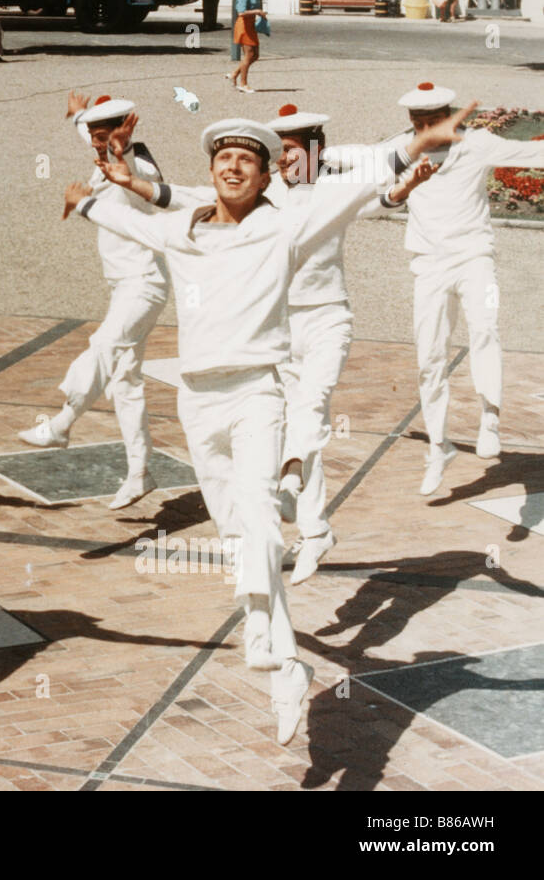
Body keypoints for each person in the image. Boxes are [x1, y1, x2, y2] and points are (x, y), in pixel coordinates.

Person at [64, 113, 455, 743]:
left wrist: (418, 144)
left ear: (267, 173)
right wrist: (85, 203)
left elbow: (360, 187)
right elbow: (124, 218)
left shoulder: (285, 223)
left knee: (258, 518)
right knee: (236, 536)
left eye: (248, 160)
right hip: (196, 403)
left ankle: (274, 635)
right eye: (224, 159)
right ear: (212, 169)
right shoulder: (181, 227)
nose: (234, 167)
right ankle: (287, 668)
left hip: (256, 394)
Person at [263, 104, 415, 583]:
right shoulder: (264, 192)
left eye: (291, 152)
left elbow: (377, 197)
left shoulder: (335, 187)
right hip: (280, 328)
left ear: (315, 150)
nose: (284, 162)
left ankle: (290, 483)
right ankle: (315, 532)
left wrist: (401, 191)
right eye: (279, 153)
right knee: (298, 425)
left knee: (312, 407)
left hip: (328, 318)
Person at [384, 82, 544, 495]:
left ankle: (490, 415)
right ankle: (439, 446)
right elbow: (361, 180)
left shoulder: (479, 143)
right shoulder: (401, 150)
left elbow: (535, 153)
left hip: (475, 257)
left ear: (449, 116)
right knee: (429, 355)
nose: (425, 131)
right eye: (417, 124)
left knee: (485, 328)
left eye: (432, 122)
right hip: (428, 264)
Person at [17, 93, 168, 510]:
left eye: (106, 137)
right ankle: (140, 473)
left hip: (144, 283)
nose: (98, 144)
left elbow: (147, 182)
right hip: (122, 286)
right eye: (95, 138)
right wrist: (77, 116)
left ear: (125, 132)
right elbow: (90, 132)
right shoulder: (101, 149)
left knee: (103, 345)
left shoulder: (138, 163)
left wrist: (124, 156)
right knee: (124, 381)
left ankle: (63, 423)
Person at [227, 0, 266, 94]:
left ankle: (234, 74)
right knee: (249, 55)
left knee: (255, 55)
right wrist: (257, 12)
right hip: (243, 25)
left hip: (251, 25)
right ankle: (243, 83)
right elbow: (241, 12)